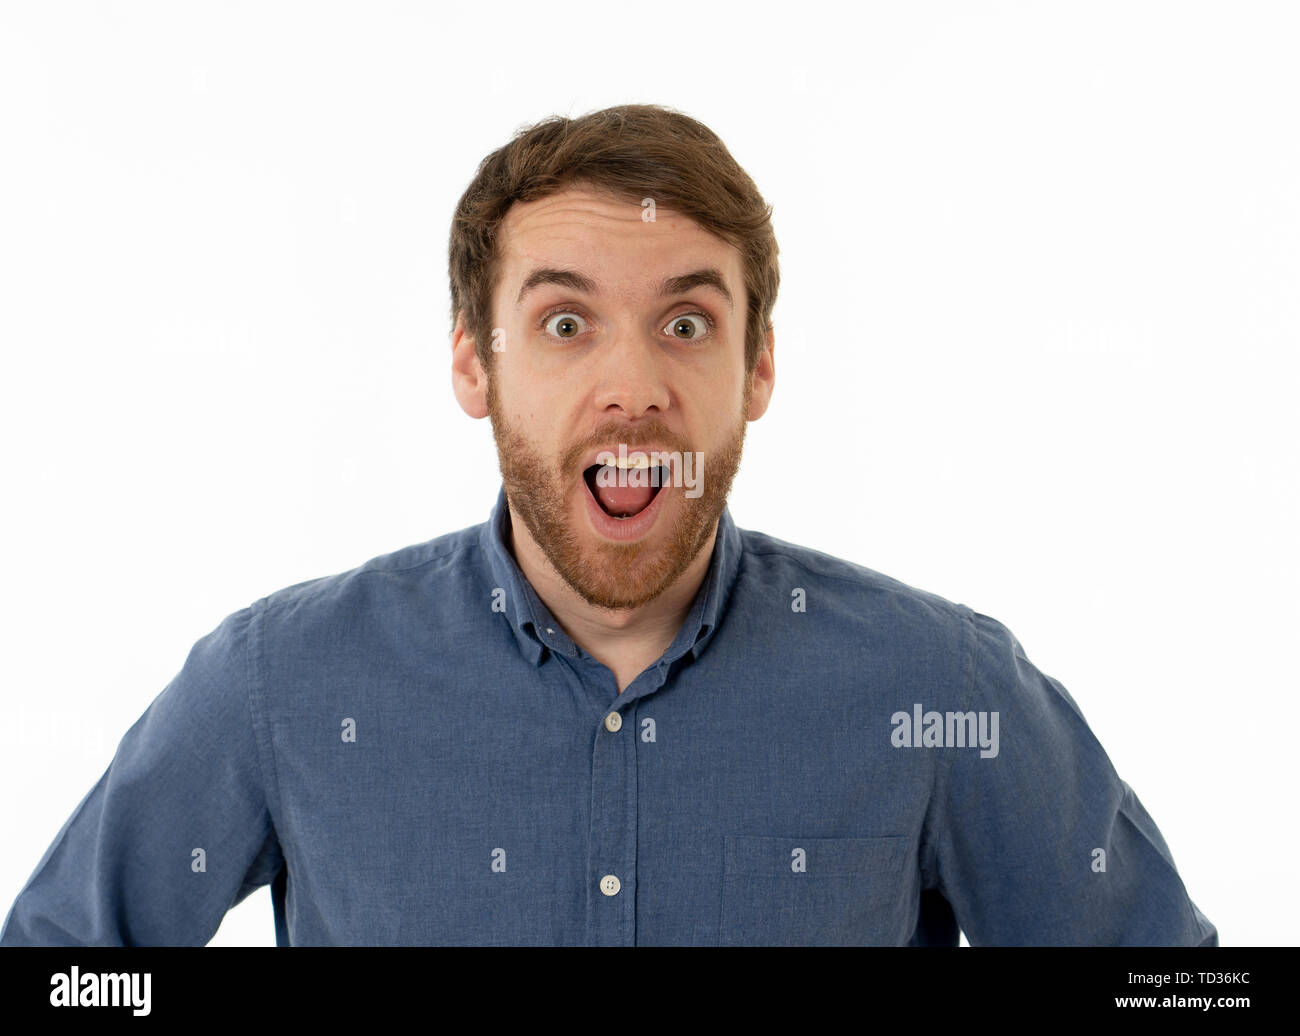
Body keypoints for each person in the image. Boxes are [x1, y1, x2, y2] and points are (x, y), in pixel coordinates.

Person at [0, 103, 1216, 946]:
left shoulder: (942, 686)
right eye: (566, 323)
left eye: (685, 323)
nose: (631, 383)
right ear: (475, 364)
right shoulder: (279, 683)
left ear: (758, 369)